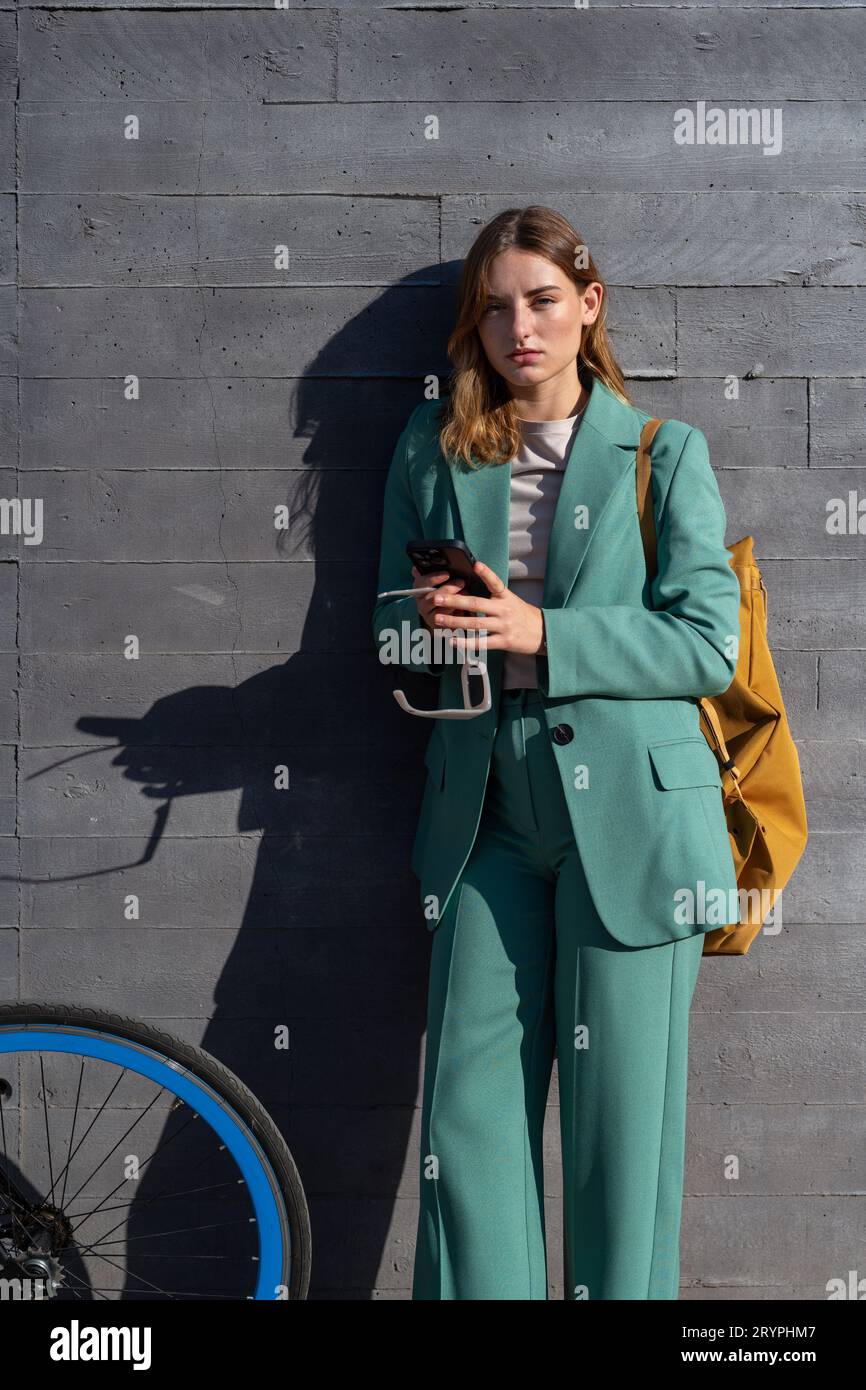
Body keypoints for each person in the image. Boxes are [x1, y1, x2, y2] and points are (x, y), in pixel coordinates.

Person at [371, 205, 742, 1300]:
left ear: (588, 305)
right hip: (484, 807)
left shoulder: (662, 454)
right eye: (492, 308)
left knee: (617, 1143)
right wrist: (430, 621)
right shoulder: (432, 448)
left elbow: (706, 644)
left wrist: (541, 632)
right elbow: (381, 631)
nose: (515, 327)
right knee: (465, 1123)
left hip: (629, 815)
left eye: (538, 300)